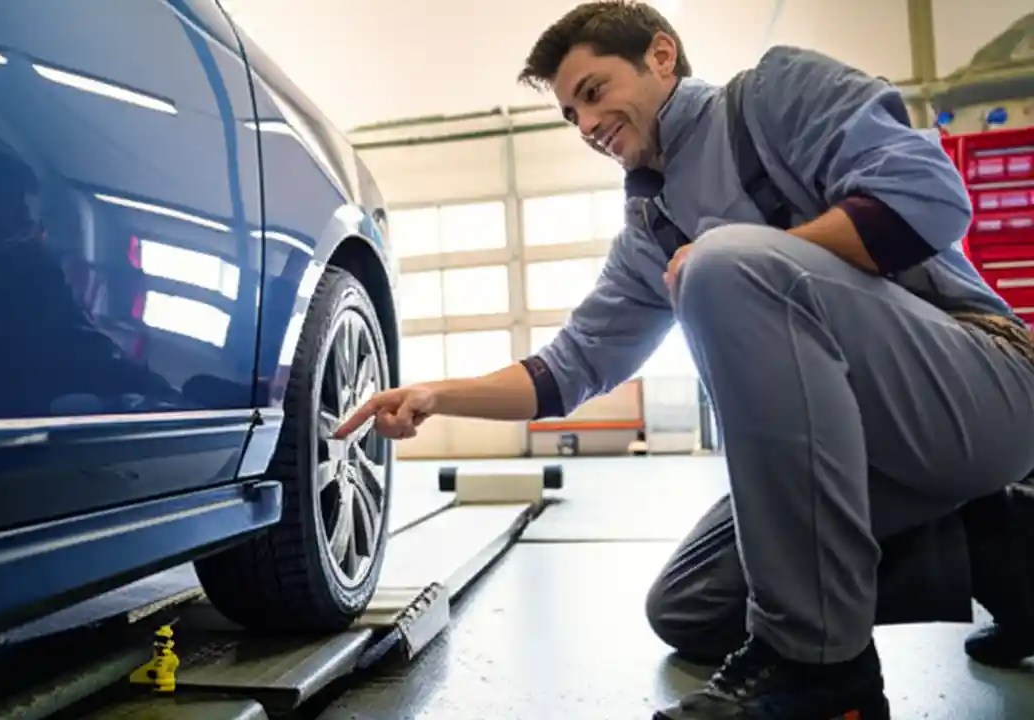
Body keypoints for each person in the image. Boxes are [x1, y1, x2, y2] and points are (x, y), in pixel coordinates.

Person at [333, 2, 1034, 719]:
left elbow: (930, 198)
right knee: (692, 607)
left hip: (982, 387)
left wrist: (734, 261)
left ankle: (827, 674)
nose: (586, 127)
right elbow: (567, 369)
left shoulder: (772, 95)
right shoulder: (650, 230)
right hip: (860, 452)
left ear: (661, 57)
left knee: (724, 263)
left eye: (594, 92)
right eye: (570, 115)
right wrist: (433, 395)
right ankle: (1000, 547)